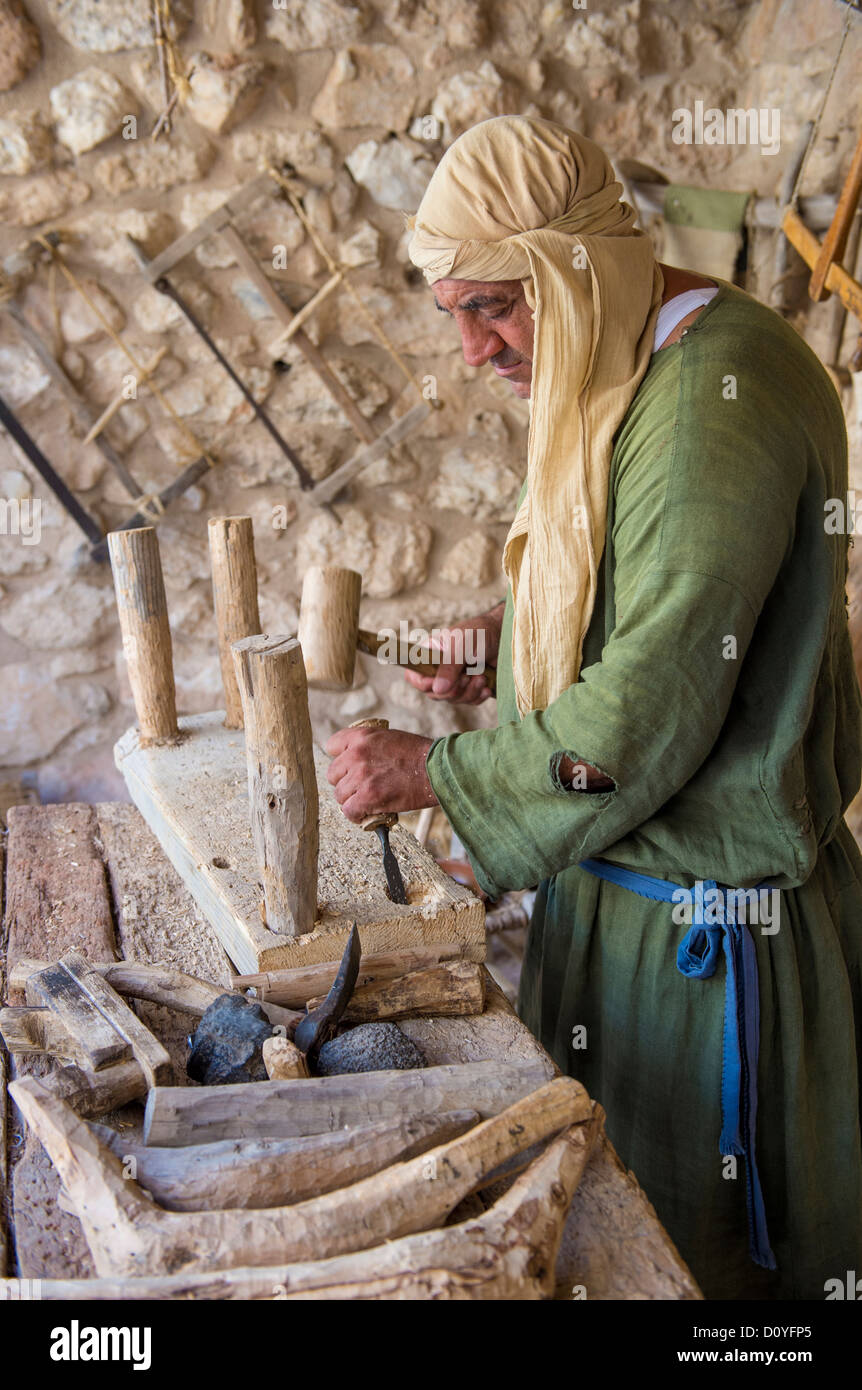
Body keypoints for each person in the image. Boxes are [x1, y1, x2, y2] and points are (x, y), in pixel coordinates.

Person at [325, 115, 862, 1300]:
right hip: (620, 913)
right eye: (451, 311)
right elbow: (637, 612)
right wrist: (509, 663)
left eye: (494, 306)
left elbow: (647, 708)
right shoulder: (631, 355)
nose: (473, 349)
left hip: (702, 962)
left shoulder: (707, 400)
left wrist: (437, 773)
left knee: (688, 1277)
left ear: (576, 268)